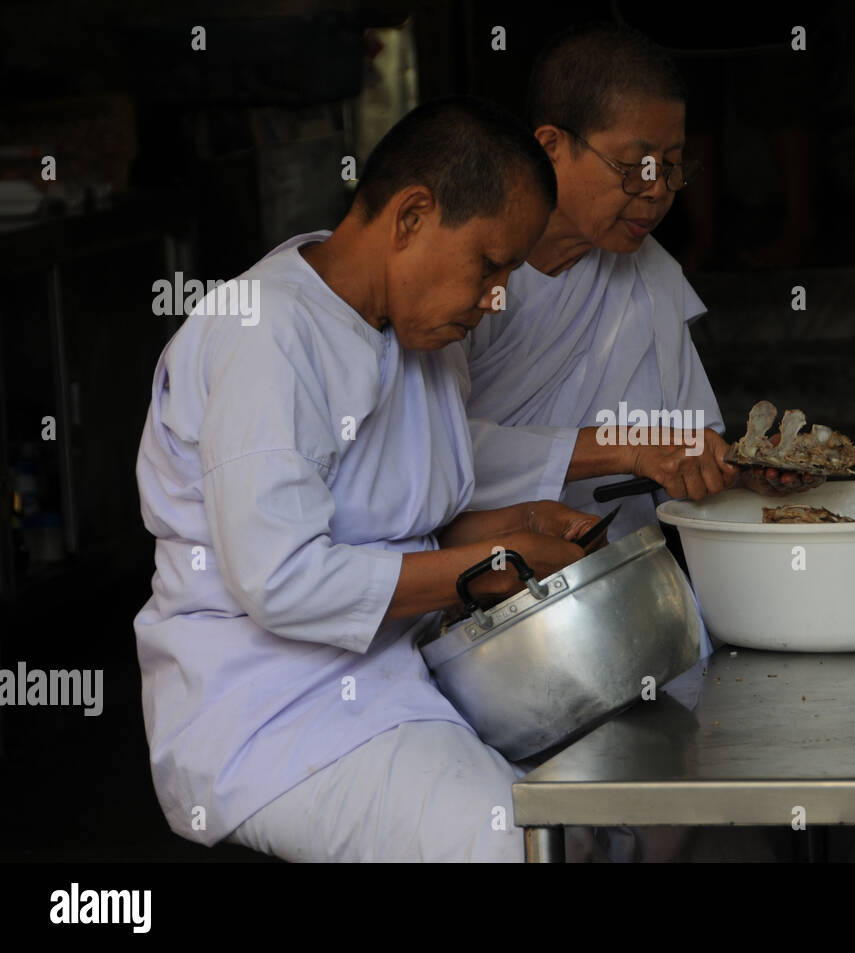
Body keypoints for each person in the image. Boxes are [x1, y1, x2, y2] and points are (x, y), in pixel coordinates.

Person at [133, 97, 605, 863]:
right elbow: (283, 578)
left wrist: (520, 526)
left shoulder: (423, 336)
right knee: (514, 846)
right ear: (413, 215)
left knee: (618, 802)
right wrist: (493, 567)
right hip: (271, 717)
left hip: (398, 678)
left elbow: (402, 527)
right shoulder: (269, 334)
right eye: (489, 266)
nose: (495, 299)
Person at [458, 23, 817, 550]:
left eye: (672, 168)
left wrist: (738, 469)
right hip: (479, 575)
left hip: (628, 571)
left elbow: (683, 446)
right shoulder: (462, 271)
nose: (656, 193)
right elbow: (426, 455)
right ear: (551, 147)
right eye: (633, 167)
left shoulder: (652, 274)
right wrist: (628, 447)